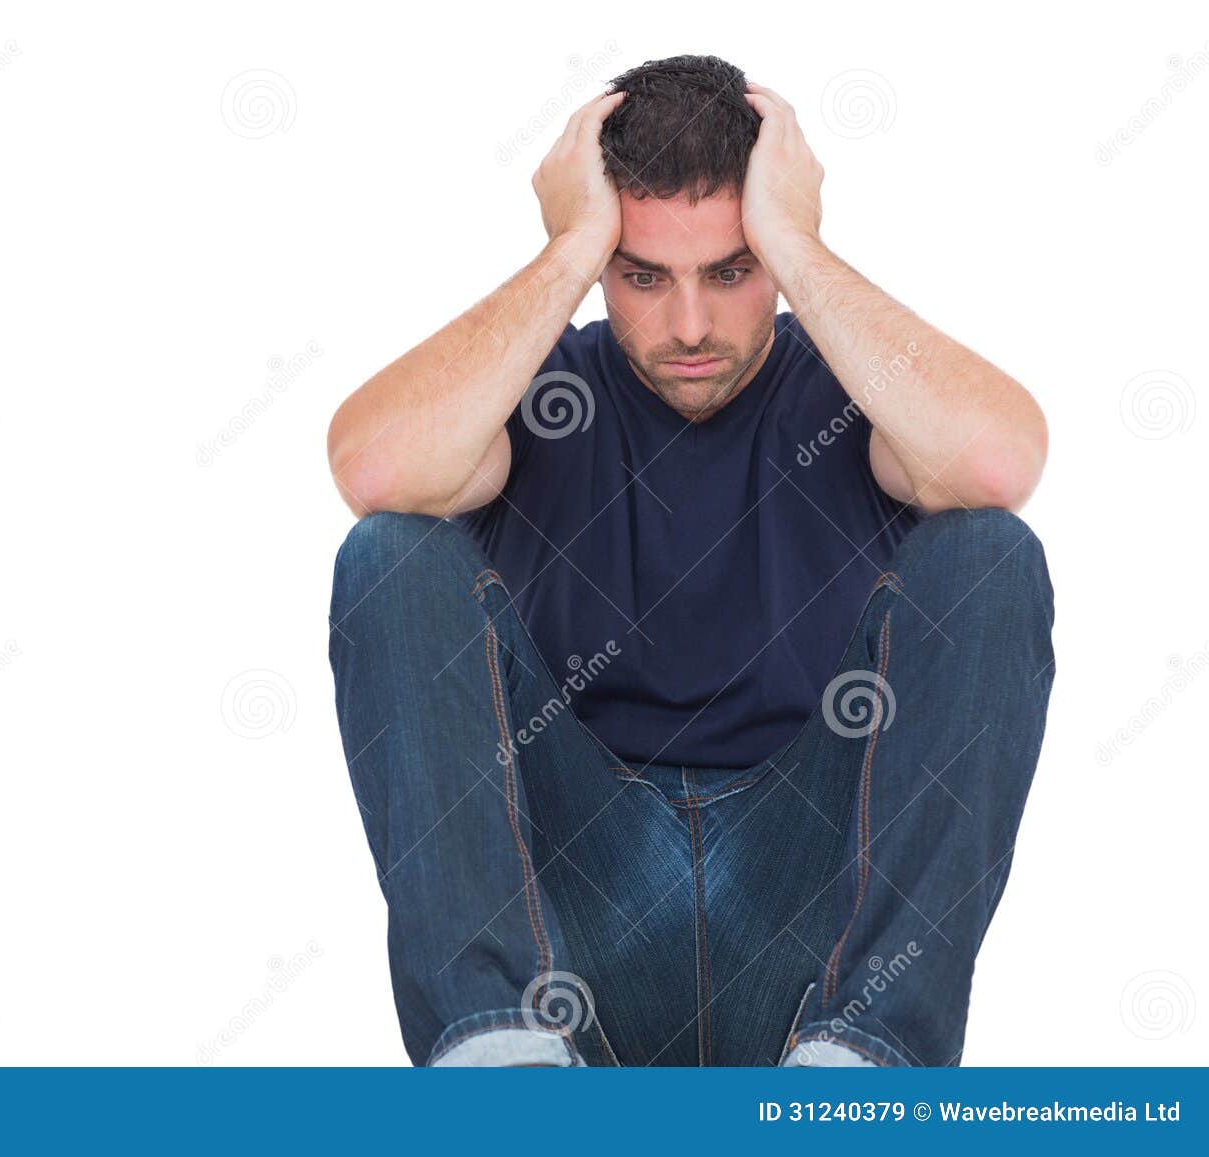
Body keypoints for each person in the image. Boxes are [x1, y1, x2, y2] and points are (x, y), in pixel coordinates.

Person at [324, 54, 1054, 1067]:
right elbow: (373, 469)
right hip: (578, 931)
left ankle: (864, 1062)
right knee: (390, 552)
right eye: (641, 275)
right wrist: (567, 247)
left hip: (810, 930)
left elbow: (996, 460)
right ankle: (498, 1059)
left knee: (989, 552)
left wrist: (795, 242)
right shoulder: (533, 401)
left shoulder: (861, 396)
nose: (691, 325)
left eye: (729, 269)